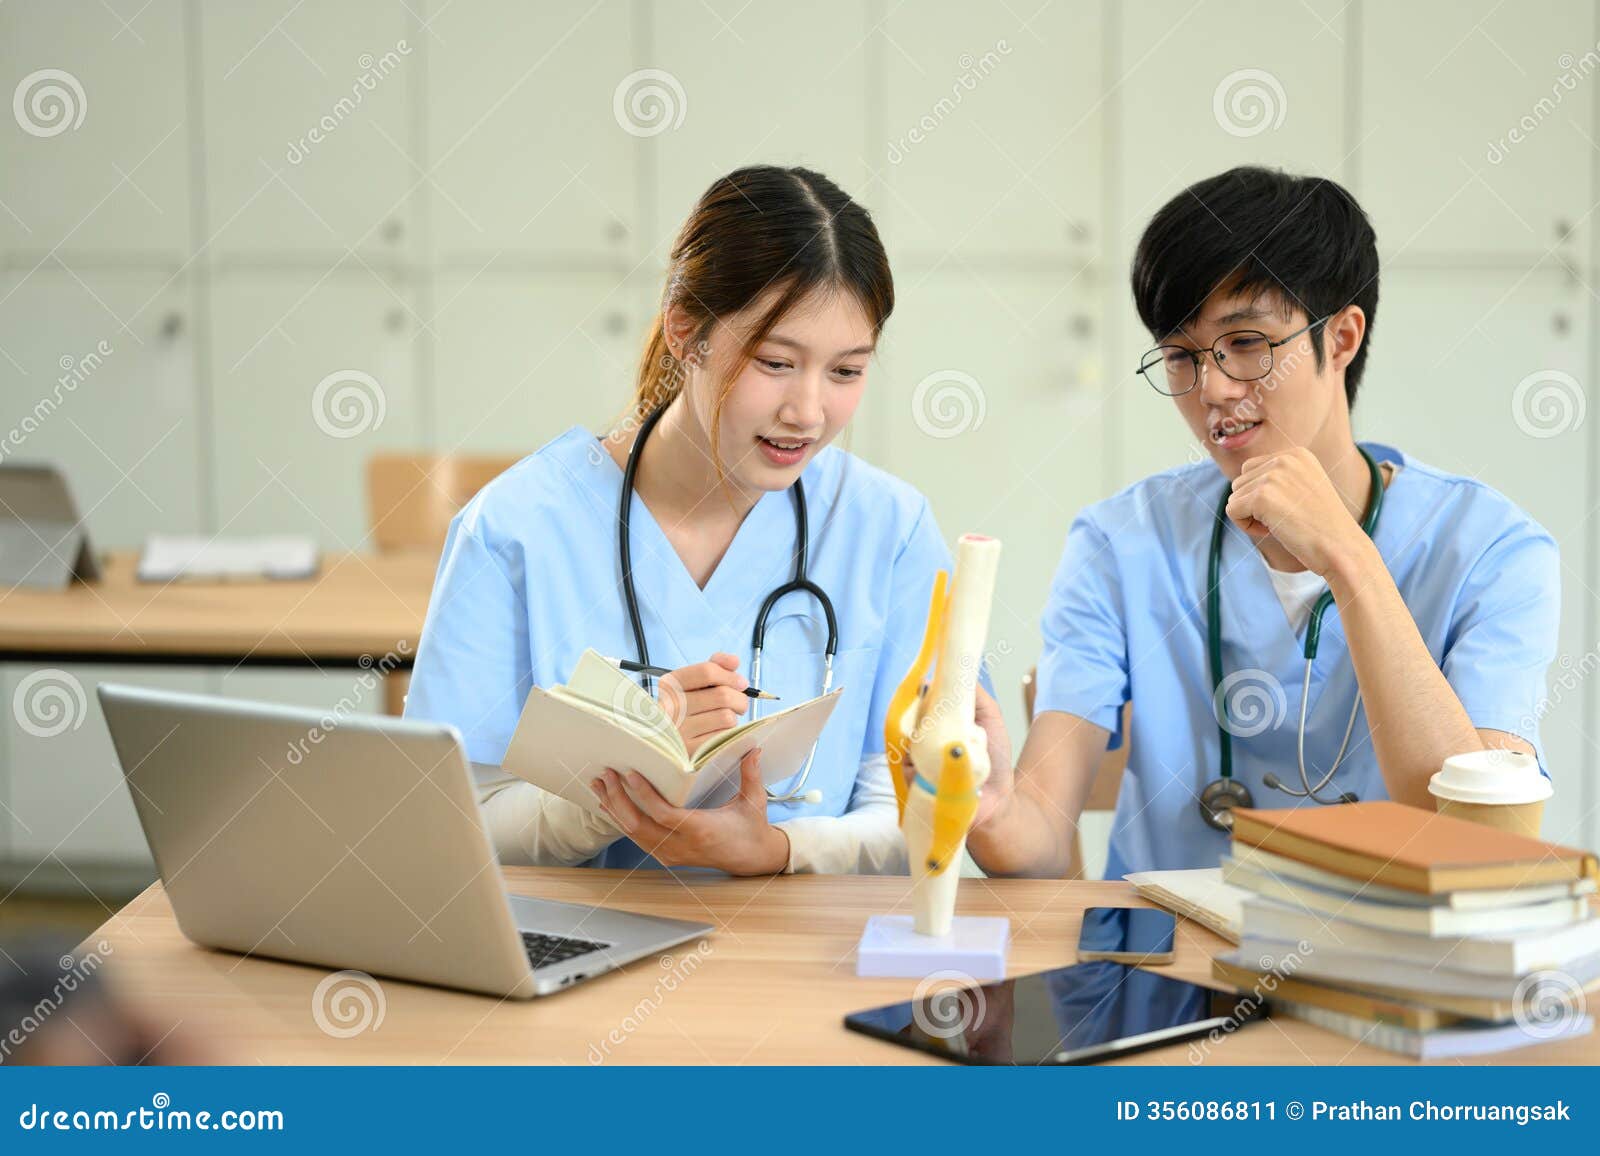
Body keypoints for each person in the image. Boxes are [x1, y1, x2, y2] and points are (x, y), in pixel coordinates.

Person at [938, 166, 1559, 879]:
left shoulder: (1492, 550)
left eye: (1246, 343)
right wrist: (985, 812)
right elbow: (1041, 832)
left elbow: (1475, 842)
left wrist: (1346, 559)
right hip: (1167, 973)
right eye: (1181, 356)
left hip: (1390, 974)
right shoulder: (1122, 543)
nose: (1213, 390)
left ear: (1344, 337)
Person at [405, 165, 957, 876]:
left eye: (846, 372)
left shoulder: (889, 530)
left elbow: (923, 811)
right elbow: (451, 824)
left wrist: (783, 851)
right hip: (586, 964)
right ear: (686, 332)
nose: (809, 411)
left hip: (820, 970)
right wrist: (619, 781)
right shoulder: (515, 530)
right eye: (776, 362)